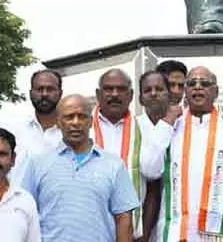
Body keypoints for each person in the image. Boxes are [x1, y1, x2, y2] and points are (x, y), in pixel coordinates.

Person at [140, 66, 223, 242]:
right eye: (192, 83)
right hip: (176, 233)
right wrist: (166, 124)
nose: (198, 87)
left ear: (216, 91)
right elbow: (149, 169)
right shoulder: (171, 126)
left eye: (205, 83)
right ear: (185, 91)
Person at [24, 95, 140, 242]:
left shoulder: (113, 164)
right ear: (58, 122)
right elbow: (25, 213)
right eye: (69, 117)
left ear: (91, 122)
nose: (76, 122)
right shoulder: (38, 164)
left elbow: (124, 219)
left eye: (82, 116)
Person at [89, 70, 146, 238]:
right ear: (98, 94)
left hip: (131, 232)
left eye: (121, 89)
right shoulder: (83, 129)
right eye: (108, 89)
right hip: (90, 231)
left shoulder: (144, 129)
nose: (114, 94)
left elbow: (154, 179)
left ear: (131, 95)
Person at [136, 70, 172, 242]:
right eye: (147, 90)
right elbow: (151, 171)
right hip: (141, 221)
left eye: (159, 88)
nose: (153, 93)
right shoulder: (134, 127)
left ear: (169, 94)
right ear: (140, 98)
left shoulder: (182, 124)